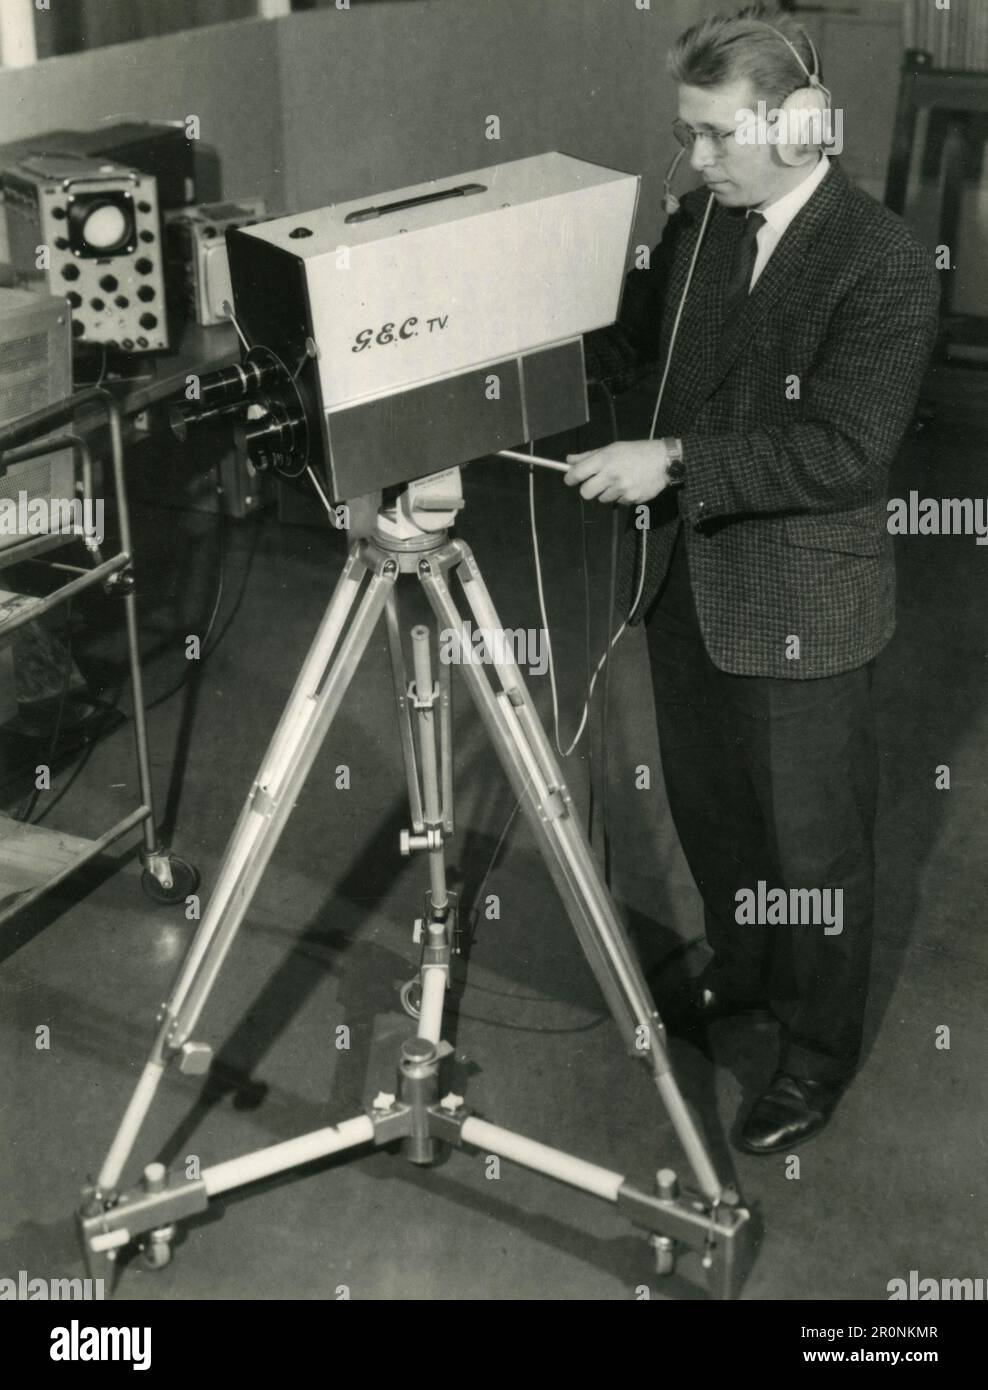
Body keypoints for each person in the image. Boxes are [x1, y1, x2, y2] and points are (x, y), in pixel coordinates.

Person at [567, 4, 940, 1154]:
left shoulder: (879, 259)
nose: (694, 159)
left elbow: (842, 449)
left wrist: (672, 458)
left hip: (801, 603)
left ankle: (816, 1056)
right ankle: (745, 967)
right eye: (688, 134)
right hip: (690, 583)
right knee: (716, 816)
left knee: (814, 852)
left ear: (799, 123)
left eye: (715, 134)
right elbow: (631, 344)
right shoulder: (702, 221)